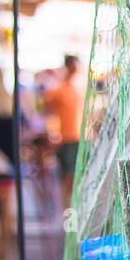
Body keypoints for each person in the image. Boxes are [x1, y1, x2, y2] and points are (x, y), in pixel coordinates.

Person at [42, 55, 84, 209]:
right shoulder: (58, 89)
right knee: (68, 179)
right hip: (65, 139)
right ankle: (68, 215)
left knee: (74, 179)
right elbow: (48, 112)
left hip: (78, 138)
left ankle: (72, 213)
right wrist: (52, 132)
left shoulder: (78, 88)